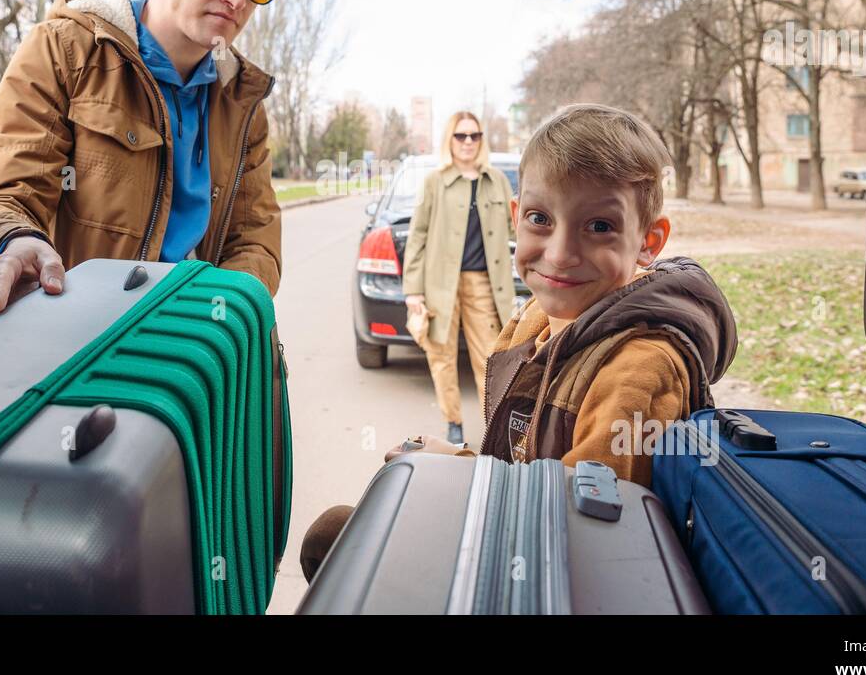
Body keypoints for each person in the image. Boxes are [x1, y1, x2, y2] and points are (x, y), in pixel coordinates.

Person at [299, 103, 737, 583]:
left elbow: (586, 531)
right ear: (515, 217)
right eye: (540, 219)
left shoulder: (637, 368)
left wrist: (456, 481)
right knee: (335, 532)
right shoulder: (536, 318)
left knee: (339, 540)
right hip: (518, 541)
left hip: (549, 574)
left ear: (649, 241)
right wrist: (456, 462)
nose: (560, 253)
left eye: (600, 227)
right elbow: (519, 463)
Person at [0, 0, 288, 331]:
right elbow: (2, 195)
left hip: (191, 347)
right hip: (69, 345)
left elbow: (255, 238)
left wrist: (216, 313)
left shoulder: (244, 101)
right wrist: (15, 242)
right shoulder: (65, 51)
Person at [401, 112, 516, 446]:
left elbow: (517, 228)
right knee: (441, 358)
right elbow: (417, 236)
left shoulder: (497, 181)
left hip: (483, 285)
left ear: (482, 140)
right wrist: (414, 291)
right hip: (440, 287)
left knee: (490, 360)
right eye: (461, 136)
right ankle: (453, 423)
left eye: (474, 136)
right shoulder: (435, 182)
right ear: (449, 140)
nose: (468, 142)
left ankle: (492, 426)